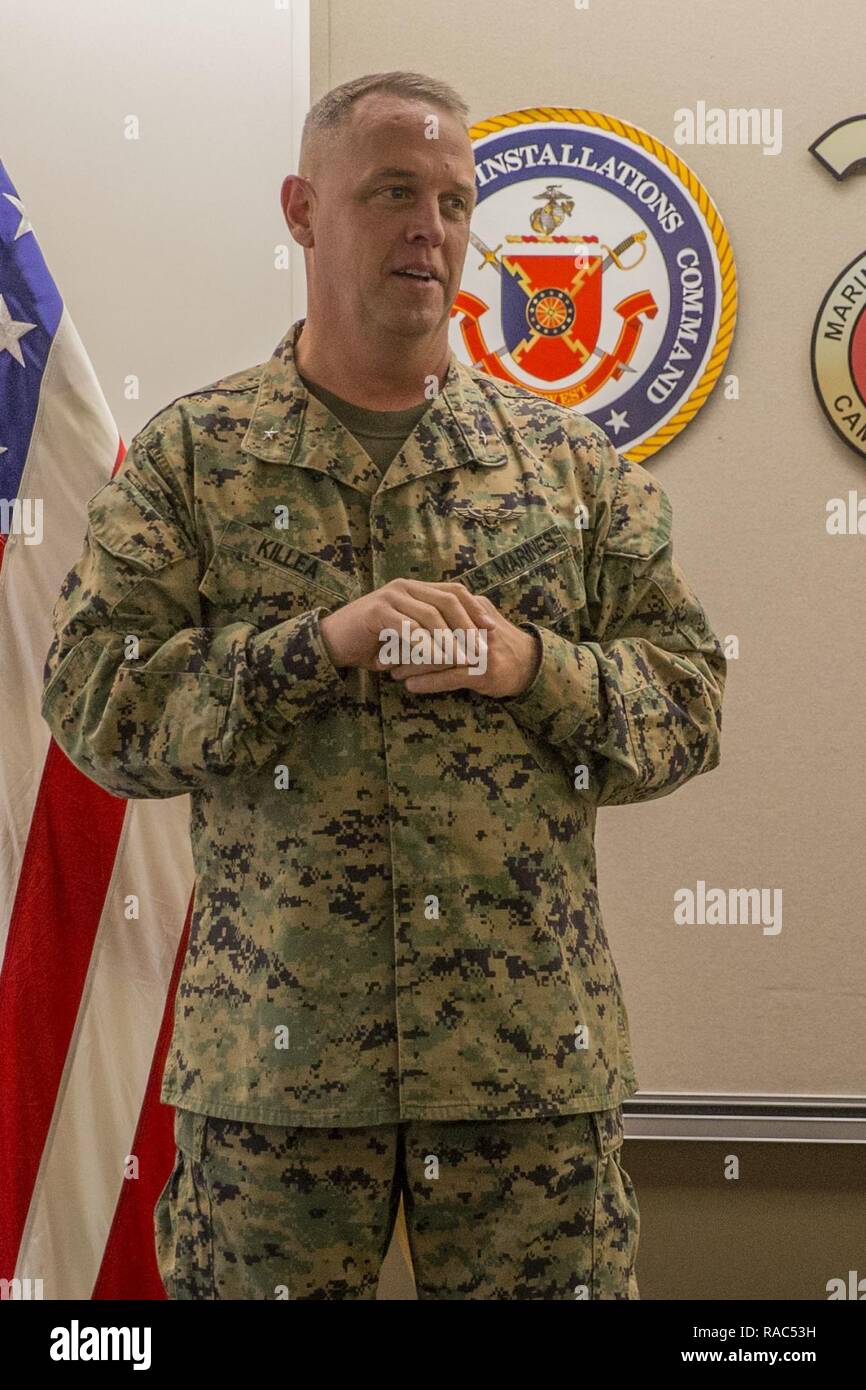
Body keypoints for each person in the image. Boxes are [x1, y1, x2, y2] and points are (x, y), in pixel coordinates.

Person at [41, 70, 726, 1300]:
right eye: (393, 191)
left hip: (524, 1070)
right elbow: (98, 703)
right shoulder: (195, 461)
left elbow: (684, 704)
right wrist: (317, 644)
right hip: (276, 1074)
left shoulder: (565, 465)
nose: (433, 228)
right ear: (304, 210)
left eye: (456, 201)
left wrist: (531, 665)